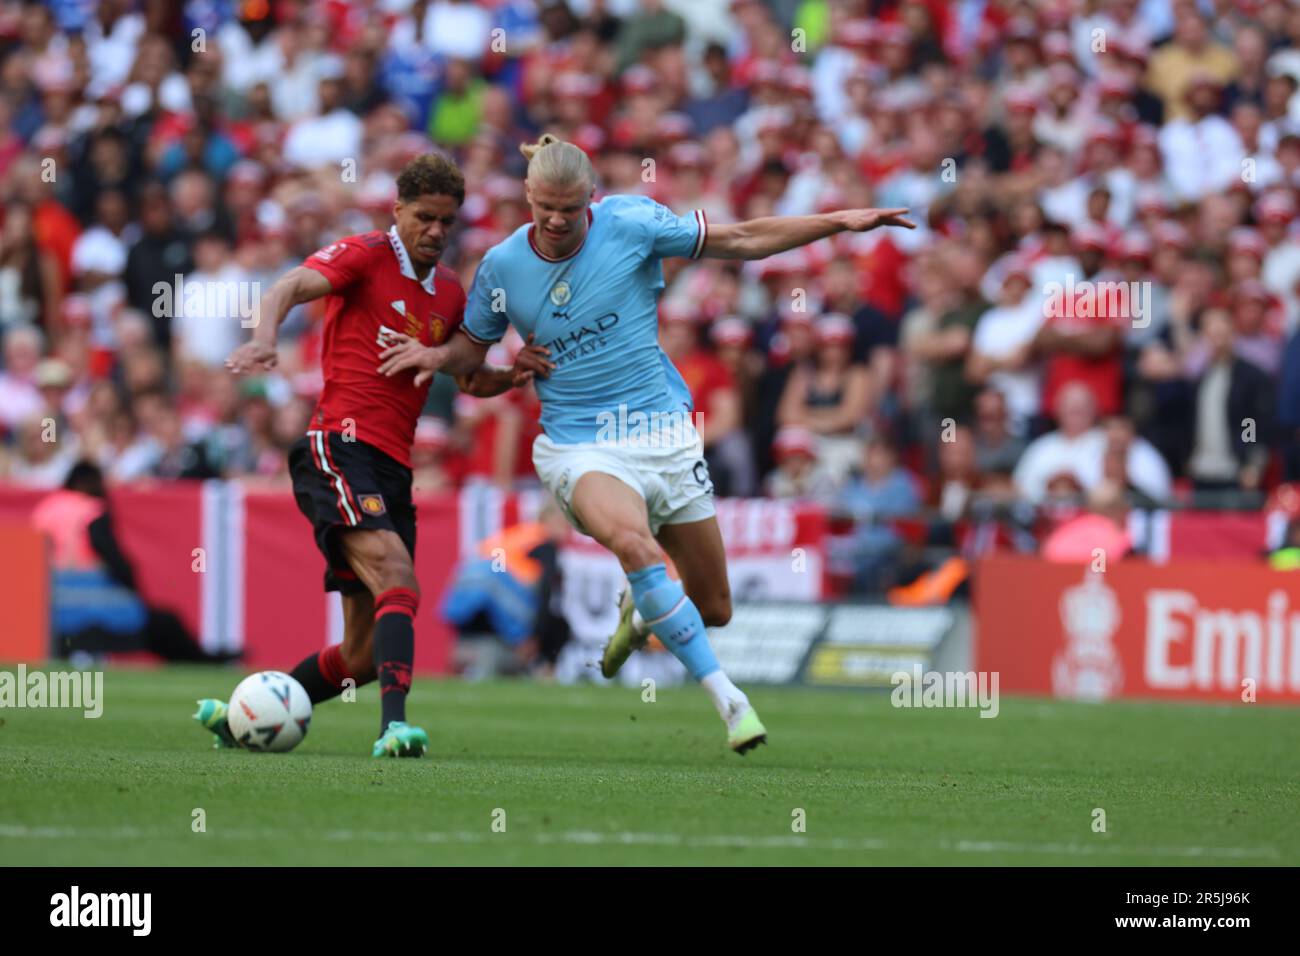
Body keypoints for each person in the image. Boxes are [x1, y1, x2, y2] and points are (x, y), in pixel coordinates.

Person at [378, 134, 915, 753]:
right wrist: (466, 360)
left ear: (592, 200)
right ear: (527, 194)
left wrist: (837, 222)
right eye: (544, 207)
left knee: (714, 607)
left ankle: (639, 615)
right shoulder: (501, 268)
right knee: (637, 545)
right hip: (580, 444)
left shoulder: (633, 223)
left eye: (570, 209)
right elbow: (470, 367)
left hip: (663, 434)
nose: (555, 220)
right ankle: (731, 702)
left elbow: (739, 241)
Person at [191, 154, 548, 757]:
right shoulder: (364, 254)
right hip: (339, 446)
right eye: (425, 218)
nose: (436, 231)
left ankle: (238, 719)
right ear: (399, 210)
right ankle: (392, 727)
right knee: (398, 576)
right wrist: (263, 337)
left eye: (447, 221)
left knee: (358, 654)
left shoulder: (451, 295)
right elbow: (289, 285)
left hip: (391, 467)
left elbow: (466, 379)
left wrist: (511, 376)